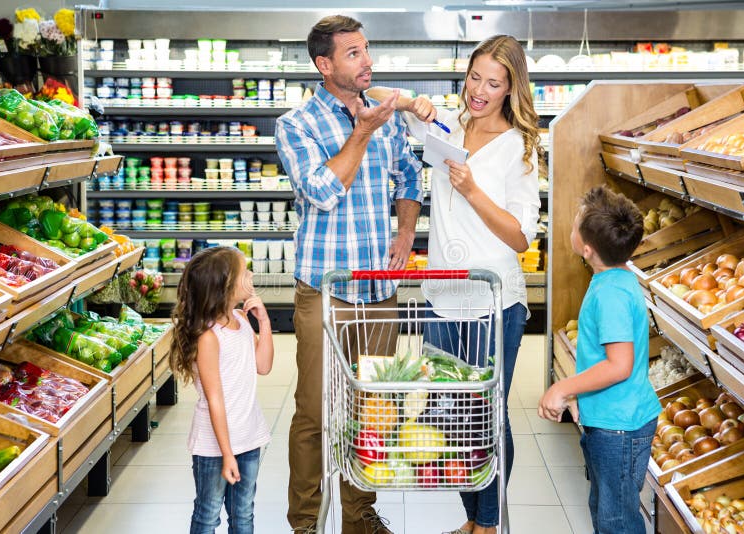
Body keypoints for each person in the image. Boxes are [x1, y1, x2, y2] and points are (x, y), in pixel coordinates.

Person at [369, 34, 542, 534]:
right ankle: (472, 518)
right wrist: (411, 102)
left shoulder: (521, 148)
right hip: (442, 297)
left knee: (488, 415)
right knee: (449, 416)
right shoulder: (447, 125)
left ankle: (489, 522)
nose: (479, 92)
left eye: (493, 83)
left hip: (493, 301)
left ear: (511, 89)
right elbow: (378, 98)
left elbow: (520, 235)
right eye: (474, 78)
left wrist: (472, 190)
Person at [274, 15, 423, 534]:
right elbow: (322, 190)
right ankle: (305, 522)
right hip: (325, 289)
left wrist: (405, 233)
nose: (368, 61)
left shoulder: (387, 118)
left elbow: (409, 175)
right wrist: (361, 133)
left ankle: (359, 516)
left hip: (379, 289)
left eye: (367, 50)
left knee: (373, 406)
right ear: (325, 64)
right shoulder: (296, 125)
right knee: (314, 412)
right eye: (354, 53)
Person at [538, 186, 661, 534]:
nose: (571, 226)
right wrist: (581, 396)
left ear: (587, 249)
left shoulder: (610, 294)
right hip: (610, 418)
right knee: (606, 508)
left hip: (618, 428)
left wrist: (563, 387)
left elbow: (618, 365)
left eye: (575, 223)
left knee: (617, 520)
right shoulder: (615, 278)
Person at [169, 246, 274, 534]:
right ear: (225, 285)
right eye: (245, 272)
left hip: (249, 437)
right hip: (214, 446)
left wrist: (263, 322)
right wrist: (227, 453)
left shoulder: (240, 321)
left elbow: (263, 366)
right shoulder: (208, 337)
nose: (251, 275)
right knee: (208, 514)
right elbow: (215, 399)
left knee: (243, 516)